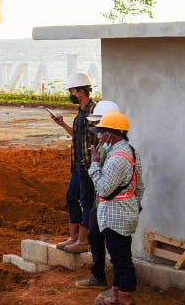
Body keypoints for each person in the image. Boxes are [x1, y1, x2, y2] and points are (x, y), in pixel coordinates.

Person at [88, 111, 145, 305]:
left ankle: (126, 300)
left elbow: (103, 189)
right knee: (119, 257)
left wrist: (94, 166)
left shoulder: (116, 159)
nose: (98, 136)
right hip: (123, 213)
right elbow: (140, 187)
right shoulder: (131, 151)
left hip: (115, 217)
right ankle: (115, 297)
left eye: (101, 132)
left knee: (121, 260)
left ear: (111, 134)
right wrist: (134, 207)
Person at [75, 100, 121, 291]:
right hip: (100, 202)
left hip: (112, 206)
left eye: (99, 123)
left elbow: (105, 180)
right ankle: (98, 276)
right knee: (94, 237)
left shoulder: (117, 150)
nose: (96, 128)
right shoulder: (106, 145)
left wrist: (94, 164)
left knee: (117, 248)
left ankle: (119, 287)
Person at [51, 72, 95, 253]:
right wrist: (62, 124)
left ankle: (83, 241)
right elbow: (78, 136)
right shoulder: (81, 113)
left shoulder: (94, 111)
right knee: (71, 198)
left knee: (86, 201)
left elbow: (98, 137)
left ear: (81, 92)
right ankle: (74, 237)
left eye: (72, 91)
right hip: (77, 165)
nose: (71, 94)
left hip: (87, 165)